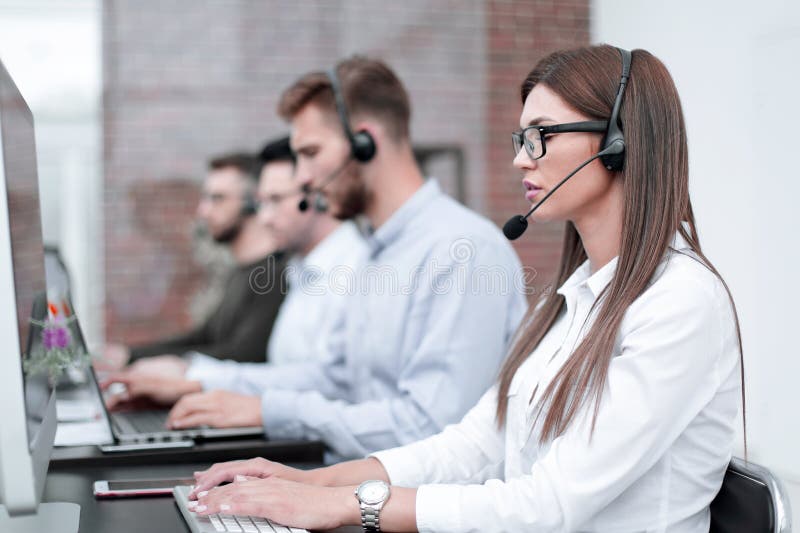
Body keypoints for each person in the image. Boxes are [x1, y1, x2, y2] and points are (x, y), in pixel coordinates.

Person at [182, 45, 744, 532]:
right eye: (520, 137)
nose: (519, 158)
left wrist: (348, 506)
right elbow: (476, 444)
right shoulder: (573, 299)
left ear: (618, 143)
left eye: (540, 136)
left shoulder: (680, 302)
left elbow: (550, 503)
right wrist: (312, 484)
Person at [106, 56, 528, 462]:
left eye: (310, 153)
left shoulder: (463, 251)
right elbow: (333, 378)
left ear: (365, 143)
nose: (303, 177)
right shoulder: (374, 252)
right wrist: (199, 382)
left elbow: (429, 428)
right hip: (358, 483)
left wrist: (271, 412)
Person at [100, 153, 288, 372]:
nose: (203, 211)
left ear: (255, 203)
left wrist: (176, 366)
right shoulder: (240, 272)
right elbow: (205, 336)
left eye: (217, 198)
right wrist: (129, 355)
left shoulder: (274, 275)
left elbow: (243, 354)